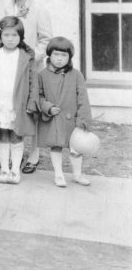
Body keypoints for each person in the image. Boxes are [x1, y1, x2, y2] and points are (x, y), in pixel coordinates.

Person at [0, 16, 39, 184]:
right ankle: (4, 169)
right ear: (0, 35)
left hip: (18, 103)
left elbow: (34, 82)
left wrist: (32, 103)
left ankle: (15, 170)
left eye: (14, 35)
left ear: (20, 37)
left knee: (16, 135)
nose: (10, 39)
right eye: (6, 35)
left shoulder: (26, 56)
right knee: (2, 134)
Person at [3, 0, 53, 174]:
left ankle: (34, 156)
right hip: (12, 67)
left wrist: (33, 57)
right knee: (15, 109)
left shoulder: (38, 9)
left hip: (32, 67)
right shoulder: (8, 8)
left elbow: (46, 39)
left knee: (32, 111)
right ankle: (17, 153)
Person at [37, 37, 93, 187]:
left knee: (76, 147)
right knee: (56, 145)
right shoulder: (42, 75)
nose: (59, 59)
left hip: (72, 119)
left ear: (69, 57)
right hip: (54, 119)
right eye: (56, 54)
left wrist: (83, 120)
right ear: (50, 55)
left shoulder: (76, 75)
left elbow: (83, 98)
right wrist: (47, 107)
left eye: (64, 55)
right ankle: (59, 174)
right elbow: (39, 95)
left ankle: (77, 174)